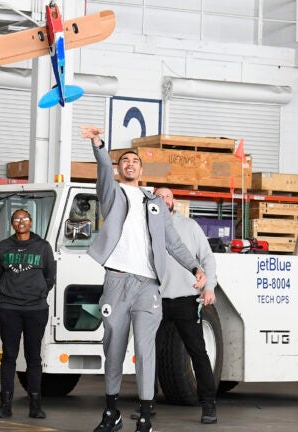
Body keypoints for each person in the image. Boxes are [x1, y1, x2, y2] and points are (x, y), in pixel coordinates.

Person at [80, 126, 206, 432]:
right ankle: (112, 413)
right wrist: (98, 145)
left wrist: (194, 267)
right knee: (113, 348)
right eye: (124, 160)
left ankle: (146, 417)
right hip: (117, 282)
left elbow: (173, 242)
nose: (130, 163)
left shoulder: (155, 203)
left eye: (134, 160)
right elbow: (102, 170)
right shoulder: (113, 194)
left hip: (148, 285)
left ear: (141, 168)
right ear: (120, 168)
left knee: (145, 349)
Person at [154, 187, 218, 424]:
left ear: (173, 202)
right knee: (148, 353)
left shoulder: (189, 227)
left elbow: (207, 258)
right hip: (155, 300)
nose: (164, 200)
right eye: (159, 197)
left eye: (168, 196)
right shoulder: (146, 227)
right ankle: (146, 403)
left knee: (198, 353)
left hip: (185, 299)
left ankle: (209, 405)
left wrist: (209, 286)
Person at [0, 209, 56, 420]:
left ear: (31, 222)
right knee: (9, 356)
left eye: (25, 219)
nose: (21, 222)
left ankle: (35, 405)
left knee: (33, 357)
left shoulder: (43, 247)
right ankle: (5, 405)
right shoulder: (4, 246)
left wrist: (37, 293)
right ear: (12, 223)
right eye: (17, 219)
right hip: (9, 308)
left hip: (35, 309)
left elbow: (50, 276)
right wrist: (9, 293)